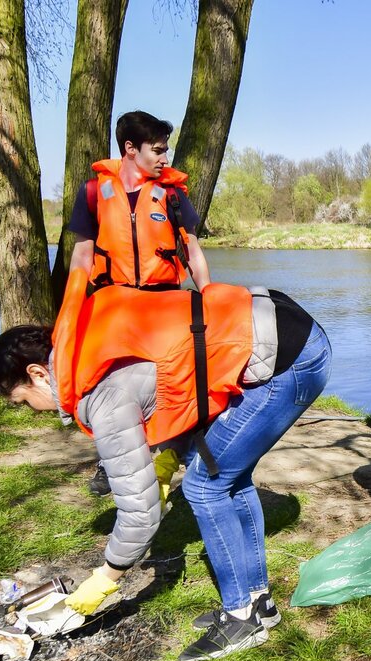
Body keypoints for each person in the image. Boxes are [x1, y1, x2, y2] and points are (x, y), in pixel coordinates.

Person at [0, 267, 332, 661]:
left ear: (36, 373)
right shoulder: (84, 344)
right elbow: (171, 382)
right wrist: (167, 460)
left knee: (207, 485)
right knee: (225, 475)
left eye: (24, 400)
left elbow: (140, 514)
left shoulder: (101, 394)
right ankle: (257, 605)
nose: (33, 411)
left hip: (289, 357)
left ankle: (243, 620)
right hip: (274, 322)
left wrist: (103, 581)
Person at [67, 110, 214, 497]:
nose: (165, 158)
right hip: (112, 306)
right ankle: (110, 461)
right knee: (109, 386)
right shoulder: (94, 193)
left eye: (167, 150)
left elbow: (193, 252)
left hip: (164, 306)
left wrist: (209, 295)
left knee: (165, 384)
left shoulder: (172, 194)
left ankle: (166, 460)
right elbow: (82, 256)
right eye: (158, 150)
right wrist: (73, 309)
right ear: (130, 149)